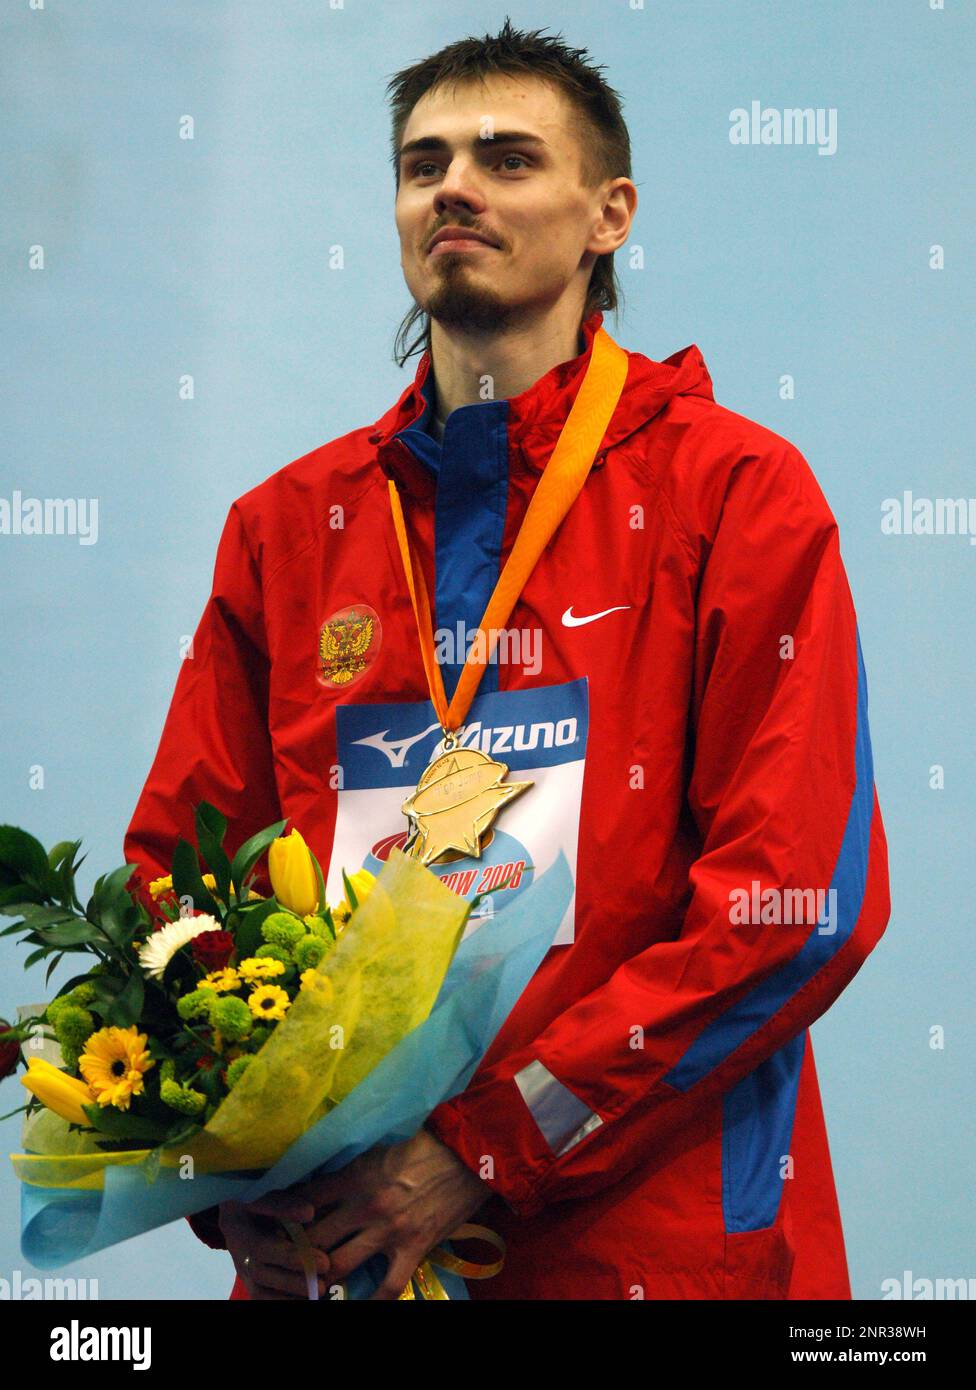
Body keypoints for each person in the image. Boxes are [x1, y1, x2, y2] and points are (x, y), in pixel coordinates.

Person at [124, 18, 891, 1301]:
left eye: (506, 158)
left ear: (609, 214)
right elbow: (181, 883)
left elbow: (791, 903)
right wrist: (224, 1173)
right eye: (423, 165)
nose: (454, 188)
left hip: (644, 1251)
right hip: (340, 1257)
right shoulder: (287, 528)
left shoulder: (733, 496)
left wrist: (489, 1143)